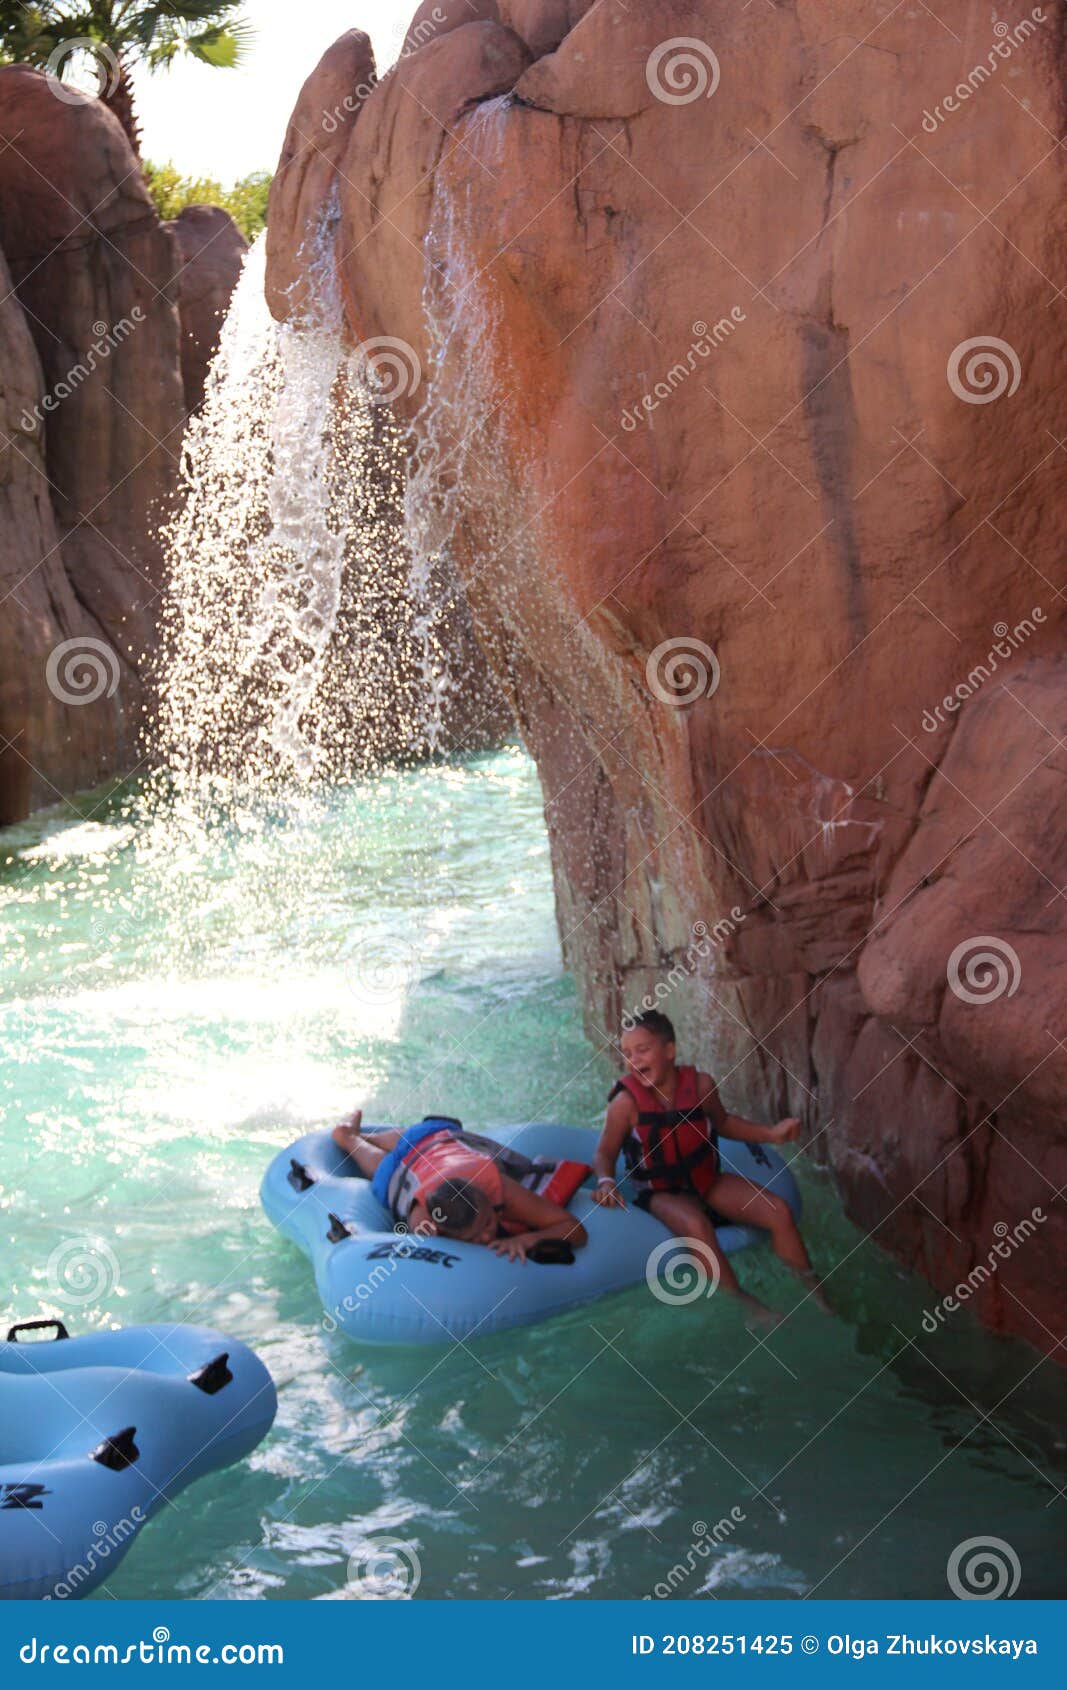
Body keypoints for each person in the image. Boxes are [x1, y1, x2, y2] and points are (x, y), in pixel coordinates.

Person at [592, 1011, 828, 1321]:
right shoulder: (625, 1105)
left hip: (707, 1180)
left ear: (670, 1050)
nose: (634, 1059)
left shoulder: (701, 1086)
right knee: (696, 1227)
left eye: (643, 1049)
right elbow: (604, 1152)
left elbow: (725, 1123)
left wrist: (772, 1134)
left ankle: (815, 1293)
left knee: (778, 1211)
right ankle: (751, 1309)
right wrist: (605, 1181)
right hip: (661, 1193)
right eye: (627, 1053)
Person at [332, 1110, 588, 1263]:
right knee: (384, 1170)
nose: (487, 1237)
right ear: (446, 1233)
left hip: (431, 1138)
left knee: (416, 1137)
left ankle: (371, 1136)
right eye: (474, 1237)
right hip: (405, 1172)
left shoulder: (499, 1188)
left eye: (488, 1223)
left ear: (488, 1201)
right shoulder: (425, 1227)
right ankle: (348, 1136)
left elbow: (574, 1229)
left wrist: (528, 1238)